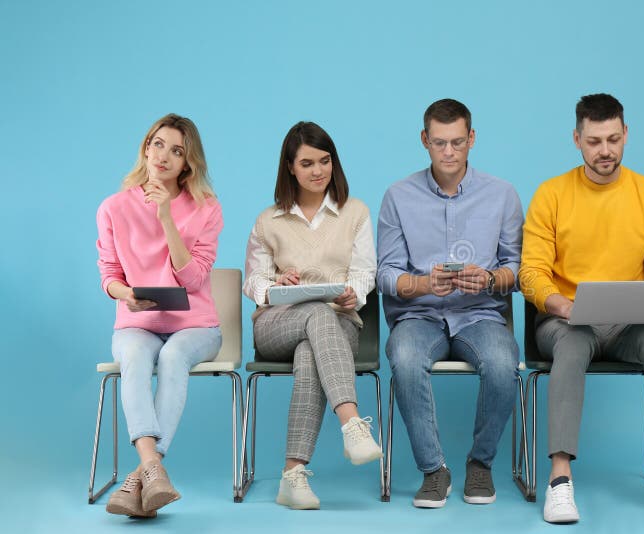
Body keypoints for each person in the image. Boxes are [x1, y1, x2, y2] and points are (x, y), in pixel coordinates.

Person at [519, 93, 644, 523]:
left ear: (626, 136)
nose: (606, 151)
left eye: (614, 139)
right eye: (595, 141)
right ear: (577, 140)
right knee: (573, 343)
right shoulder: (552, 194)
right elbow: (532, 273)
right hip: (564, 322)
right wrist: (562, 304)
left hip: (627, 326)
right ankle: (559, 481)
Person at [377, 98, 523, 508]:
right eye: (439, 142)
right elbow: (385, 274)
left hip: (479, 315)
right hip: (419, 316)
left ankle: (480, 464)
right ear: (424, 140)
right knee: (404, 358)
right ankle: (433, 470)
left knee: (501, 362)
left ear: (472, 139)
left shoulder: (502, 195)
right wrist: (422, 283)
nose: (449, 152)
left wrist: (490, 278)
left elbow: (518, 269)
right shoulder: (397, 196)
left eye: (458, 142)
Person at [243, 121, 383, 510]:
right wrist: (275, 284)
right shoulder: (268, 220)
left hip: (338, 323)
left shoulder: (354, 212)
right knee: (313, 316)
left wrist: (353, 294)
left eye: (325, 161)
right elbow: (253, 280)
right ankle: (352, 423)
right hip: (276, 325)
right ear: (290, 167)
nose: (318, 171)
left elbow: (364, 271)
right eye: (307, 163)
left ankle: (293, 476)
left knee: (313, 344)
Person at [96, 114, 223, 518]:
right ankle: (153, 468)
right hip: (138, 322)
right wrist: (126, 294)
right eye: (158, 144)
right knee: (133, 356)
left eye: (177, 150)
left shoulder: (206, 207)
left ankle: (141, 473)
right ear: (145, 147)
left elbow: (193, 277)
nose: (164, 156)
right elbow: (109, 276)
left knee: (172, 358)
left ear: (188, 163)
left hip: (197, 326)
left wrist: (166, 215)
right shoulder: (113, 207)